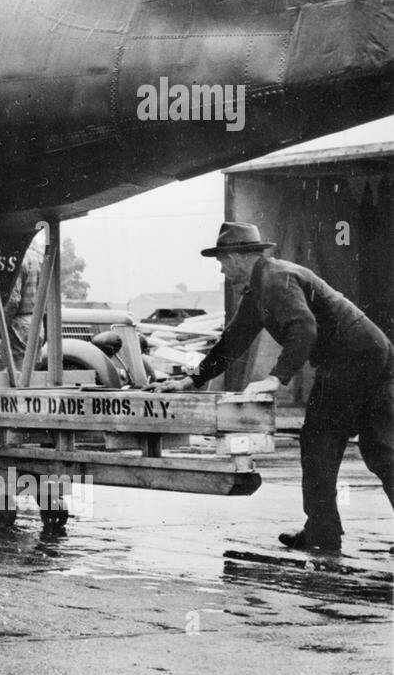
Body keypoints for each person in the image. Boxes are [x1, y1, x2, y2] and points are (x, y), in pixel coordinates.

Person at [158, 222, 394, 554]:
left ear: (238, 256)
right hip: (374, 350)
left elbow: (304, 329)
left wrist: (276, 378)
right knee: (381, 446)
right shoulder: (261, 287)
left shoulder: (274, 280)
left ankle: (322, 534)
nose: (221, 268)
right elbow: (233, 341)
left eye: (222, 260)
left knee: (319, 442)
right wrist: (192, 380)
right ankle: (322, 530)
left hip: (350, 357)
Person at [3, 226, 47, 366]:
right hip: (37, 322)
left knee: (17, 374)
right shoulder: (41, 260)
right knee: (29, 374)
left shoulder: (20, 261)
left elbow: (13, 300)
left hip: (20, 324)